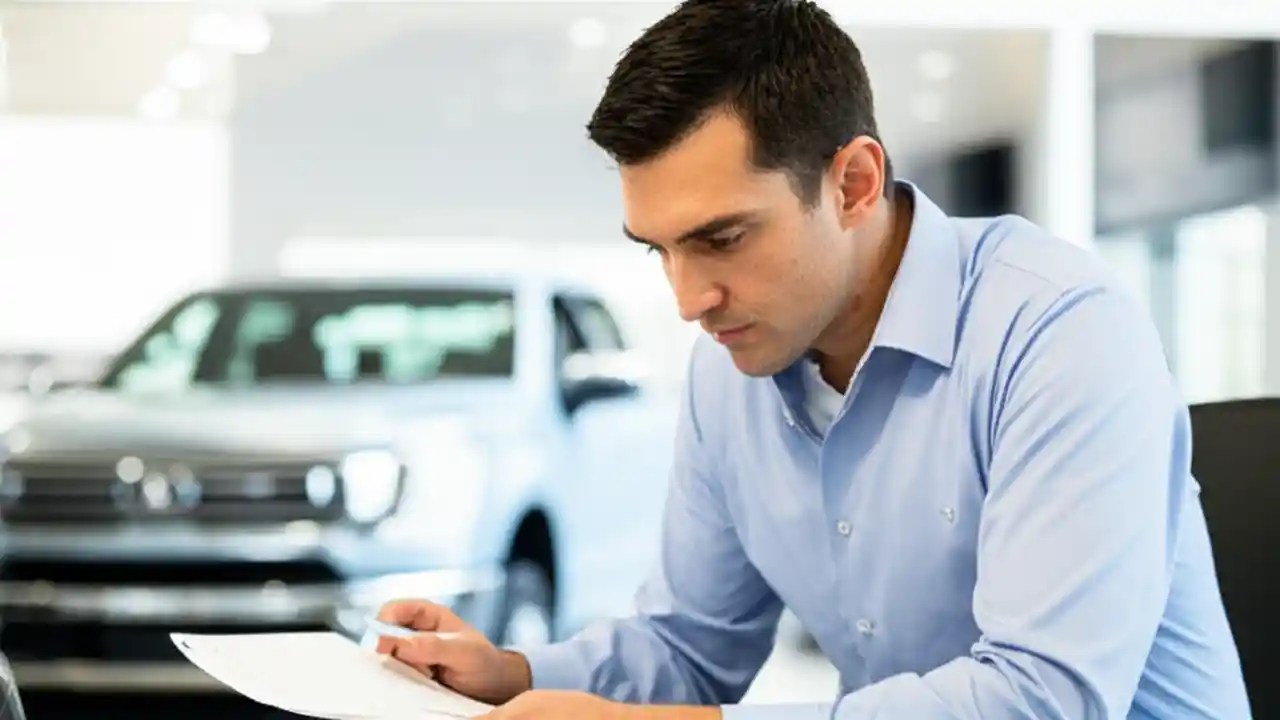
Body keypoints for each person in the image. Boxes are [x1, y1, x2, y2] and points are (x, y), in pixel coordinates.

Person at [375, 1, 1251, 718]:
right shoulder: (732, 371)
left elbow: (1042, 699)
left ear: (854, 184)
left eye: (722, 238)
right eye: (660, 250)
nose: (689, 299)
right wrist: (516, 676)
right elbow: (688, 647)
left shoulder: (1060, 333)